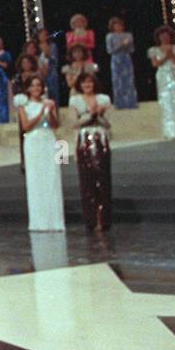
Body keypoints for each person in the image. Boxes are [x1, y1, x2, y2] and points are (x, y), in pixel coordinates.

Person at [13, 77, 64, 231]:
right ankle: (39, 222)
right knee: (36, 180)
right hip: (33, 142)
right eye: (32, 85)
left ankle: (54, 221)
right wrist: (42, 111)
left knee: (51, 178)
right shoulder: (23, 104)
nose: (36, 88)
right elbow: (26, 126)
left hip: (48, 140)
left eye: (38, 85)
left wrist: (51, 113)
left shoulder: (48, 102)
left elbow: (55, 126)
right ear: (28, 88)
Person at [70, 72, 112, 232]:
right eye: (84, 83)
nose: (88, 85)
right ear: (80, 85)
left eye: (90, 82)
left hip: (100, 140)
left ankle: (104, 221)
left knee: (103, 179)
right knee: (87, 180)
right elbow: (74, 123)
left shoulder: (104, 99)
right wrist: (90, 114)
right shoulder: (75, 100)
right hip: (84, 140)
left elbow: (108, 124)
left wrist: (99, 114)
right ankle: (91, 221)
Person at [148, 26, 175, 140]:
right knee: (165, 101)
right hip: (162, 76)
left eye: (167, 35)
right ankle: (169, 131)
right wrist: (166, 56)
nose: (164, 38)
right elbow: (155, 64)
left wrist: (172, 54)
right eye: (162, 36)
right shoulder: (154, 50)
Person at [105, 17, 138, 109]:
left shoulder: (128, 35)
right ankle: (119, 103)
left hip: (126, 58)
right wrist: (121, 45)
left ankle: (131, 102)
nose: (118, 27)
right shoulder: (110, 36)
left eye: (120, 25)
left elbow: (132, 49)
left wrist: (127, 45)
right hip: (116, 59)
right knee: (117, 80)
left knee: (129, 80)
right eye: (116, 25)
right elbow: (110, 50)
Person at [35, 27, 61, 102]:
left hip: (51, 73)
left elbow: (55, 61)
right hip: (39, 72)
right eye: (41, 34)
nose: (43, 36)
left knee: (53, 94)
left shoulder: (52, 46)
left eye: (45, 34)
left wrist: (48, 54)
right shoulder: (35, 47)